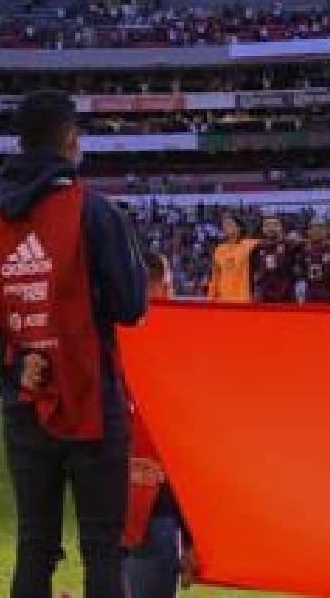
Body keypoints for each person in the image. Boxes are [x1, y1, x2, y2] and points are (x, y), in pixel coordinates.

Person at [0, 90, 149, 598]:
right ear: (71, 139)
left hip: (26, 403)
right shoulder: (96, 212)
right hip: (92, 401)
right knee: (103, 550)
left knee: (35, 546)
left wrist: (12, 362)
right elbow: (131, 306)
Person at [123, 254, 195, 598]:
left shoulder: (107, 340)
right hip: (156, 505)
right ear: (162, 286)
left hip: (112, 505)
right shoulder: (177, 348)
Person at [251, 215, 299, 304]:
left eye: (275, 224)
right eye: (267, 225)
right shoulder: (256, 248)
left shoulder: (291, 246)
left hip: (286, 297)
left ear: (281, 228)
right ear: (263, 229)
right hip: (264, 297)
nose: (271, 228)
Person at [205, 216, 253, 303]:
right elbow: (215, 277)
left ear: (239, 228)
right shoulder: (219, 250)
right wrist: (210, 298)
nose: (225, 227)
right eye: (224, 225)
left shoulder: (249, 245)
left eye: (229, 224)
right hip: (222, 300)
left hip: (242, 300)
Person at [299, 219, 330, 304]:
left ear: (327, 231)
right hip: (310, 296)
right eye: (312, 227)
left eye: (320, 227)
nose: (316, 230)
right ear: (308, 232)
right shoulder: (302, 249)